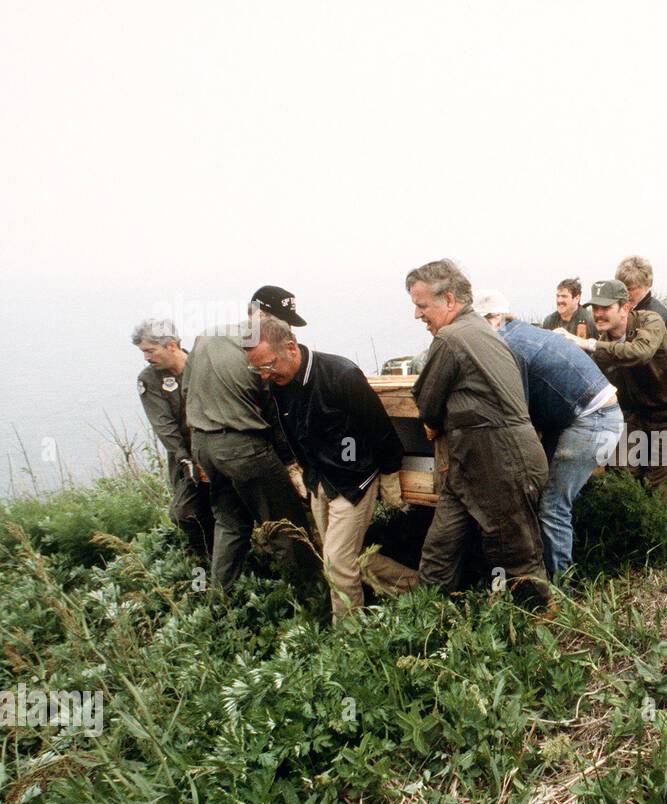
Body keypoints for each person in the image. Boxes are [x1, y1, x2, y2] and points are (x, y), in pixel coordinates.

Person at [244, 316, 418, 621]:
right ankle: (417, 589)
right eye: (257, 369)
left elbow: (380, 430)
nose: (264, 375)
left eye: (268, 365)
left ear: (291, 347)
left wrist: (390, 474)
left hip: (354, 480)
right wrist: (299, 470)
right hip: (319, 479)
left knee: (338, 561)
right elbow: (288, 427)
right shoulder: (280, 382)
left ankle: (348, 635)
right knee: (338, 558)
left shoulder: (341, 375)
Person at [406, 259, 551, 609]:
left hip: (500, 464)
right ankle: (429, 622)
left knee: (516, 557)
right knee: (439, 549)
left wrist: (434, 420)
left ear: (449, 300)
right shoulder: (481, 330)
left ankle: (538, 632)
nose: (416, 315)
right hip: (472, 466)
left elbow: (426, 404)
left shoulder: (452, 338)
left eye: (422, 305)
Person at [474, 290, 623, 580]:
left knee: (553, 506)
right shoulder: (526, 332)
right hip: (590, 414)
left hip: (592, 419)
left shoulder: (506, 347)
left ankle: (559, 592)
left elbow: (519, 413)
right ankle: (557, 566)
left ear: (493, 320)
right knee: (552, 496)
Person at [182, 287, 317, 590]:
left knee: (230, 522)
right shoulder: (262, 349)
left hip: (204, 445)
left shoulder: (207, 337)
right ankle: (312, 599)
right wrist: (291, 462)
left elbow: (186, 392)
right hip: (243, 449)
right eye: (284, 320)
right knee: (287, 524)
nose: (288, 329)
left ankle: (221, 599)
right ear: (262, 315)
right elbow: (275, 414)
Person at [558, 279, 667, 511]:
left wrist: (589, 344)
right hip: (640, 416)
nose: (598, 314)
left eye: (605, 308)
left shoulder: (649, 321)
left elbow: (640, 352)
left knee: (661, 489)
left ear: (625, 308)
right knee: (622, 476)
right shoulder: (603, 345)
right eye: (595, 308)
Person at [132, 317, 214, 557]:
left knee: (228, 507)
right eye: (143, 352)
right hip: (184, 456)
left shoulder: (203, 364)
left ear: (171, 345)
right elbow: (163, 425)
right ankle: (204, 558)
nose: (146, 357)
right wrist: (185, 458)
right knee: (185, 513)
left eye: (150, 350)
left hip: (217, 448)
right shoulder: (148, 380)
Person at [616, 255, 667, 356]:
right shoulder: (633, 309)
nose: (625, 294)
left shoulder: (654, 314)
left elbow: (640, 354)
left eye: (630, 289)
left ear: (646, 284)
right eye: (621, 289)